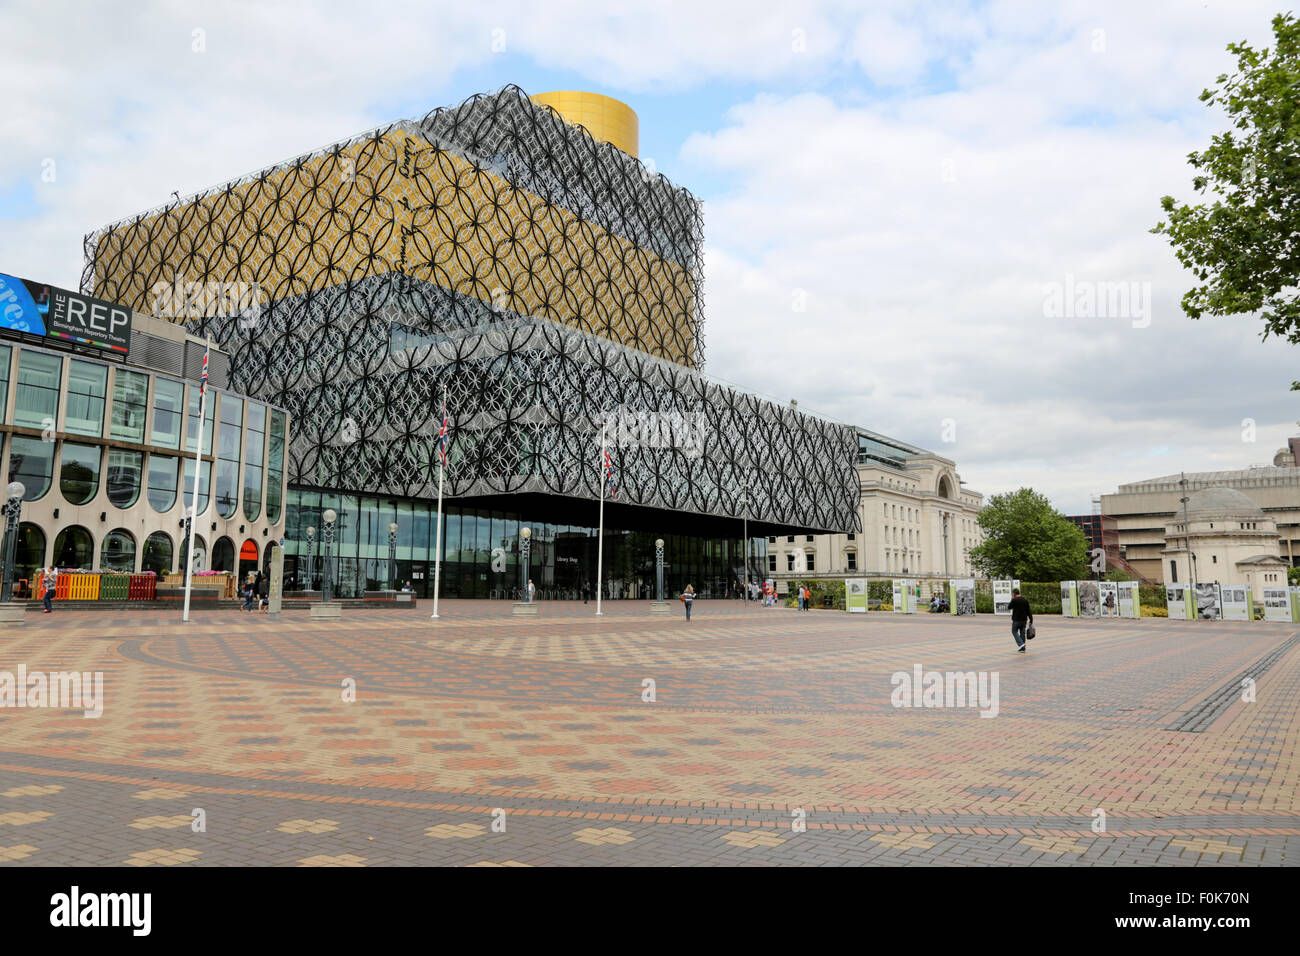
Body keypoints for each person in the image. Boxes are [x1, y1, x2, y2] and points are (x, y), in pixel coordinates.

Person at [1008, 587, 1033, 653]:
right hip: (1024, 620)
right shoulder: (1025, 600)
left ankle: (1021, 644)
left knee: (1014, 631)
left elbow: (1009, 607)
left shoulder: (1014, 600)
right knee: (1022, 633)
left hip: (1016, 620)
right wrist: (1031, 620)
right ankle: (1023, 648)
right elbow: (1029, 611)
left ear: (1014, 594)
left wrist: (1012, 599)